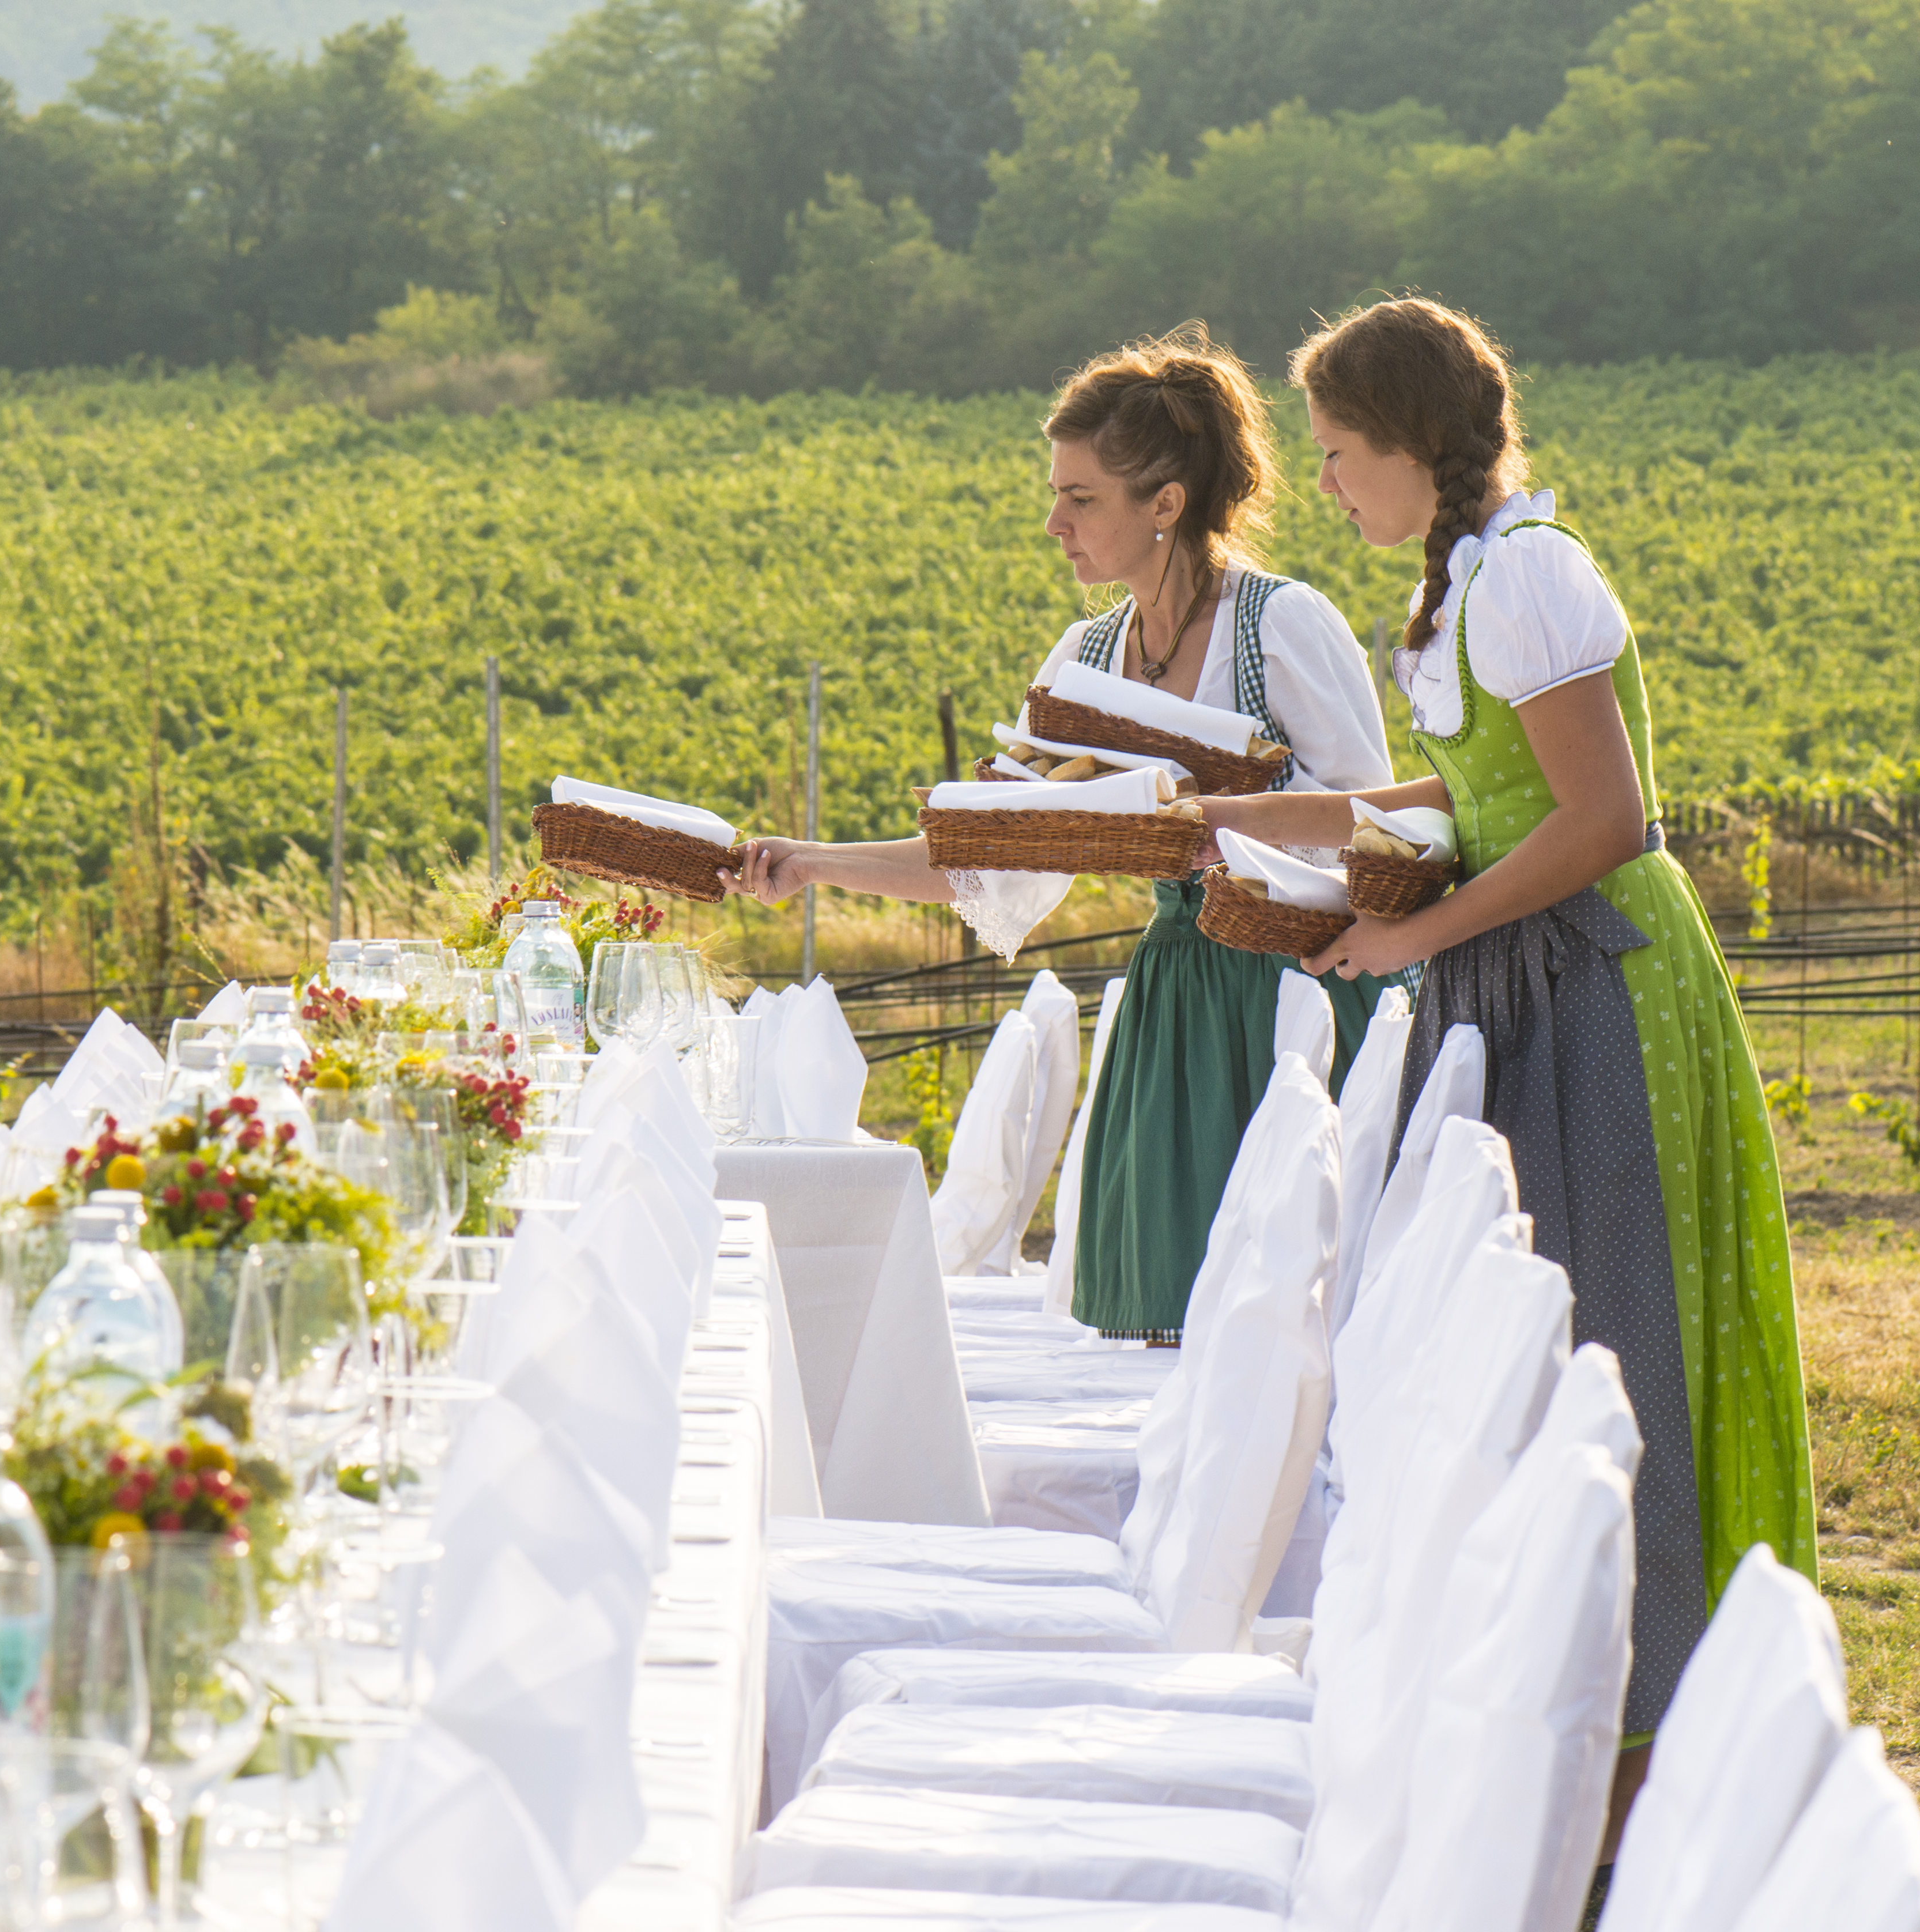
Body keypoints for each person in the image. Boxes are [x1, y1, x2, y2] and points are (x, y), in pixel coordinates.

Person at [1205, 296, 1813, 1843]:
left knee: (1615, 1344)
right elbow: (1476, 793)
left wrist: (1417, 936)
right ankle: (1555, 1718)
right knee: (1520, 1346)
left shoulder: (1526, 574)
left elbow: (1601, 818)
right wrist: (1267, 818)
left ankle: (1643, 1748)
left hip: (1597, 981)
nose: (1322, 484)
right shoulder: (1463, 584)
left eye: (1336, 453)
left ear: (1410, 444)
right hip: (1518, 977)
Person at [729, 328, 1395, 1338]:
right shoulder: (1086, 660)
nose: (1054, 524)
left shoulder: (1280, 626)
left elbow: (1373, 835)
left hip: (1296, 1000)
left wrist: (1208, 821)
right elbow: (990, 856)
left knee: (1294, 1325)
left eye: (1080, 498)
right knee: (1167, 1320)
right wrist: (812, 862)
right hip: (1177, 1006)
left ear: (1164, 504)